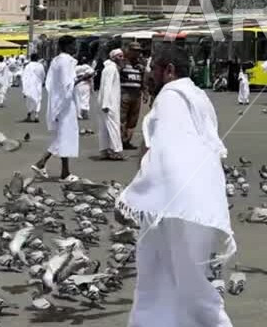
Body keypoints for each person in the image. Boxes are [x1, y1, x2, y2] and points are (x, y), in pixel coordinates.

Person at [120, 43, 235, 327]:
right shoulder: (198, 96)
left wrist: (132, 195)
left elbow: (161, 152)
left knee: (178, 277)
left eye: (153, 70)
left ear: (168, 71)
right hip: (199, 199)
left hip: (174, 201)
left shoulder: (170, 96)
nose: (149, 76)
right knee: (172, 273)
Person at [33, 36, 83, 181]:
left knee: (62, 137)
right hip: (64, 105)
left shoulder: (56, 60)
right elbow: (67, 85)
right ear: (67, 46)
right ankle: (50, 167)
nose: (76, 48)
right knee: (64, 137)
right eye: (74, 45)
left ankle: (58, 170)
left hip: (59, 103)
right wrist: (82, 78)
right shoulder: (66, 61)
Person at [97, 49, 125, 161]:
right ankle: (116, 151)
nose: (122, 58)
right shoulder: (111, 69)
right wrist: (106, 104)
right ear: (113, 58)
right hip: (109, 103)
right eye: (120, 56)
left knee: (104, 127)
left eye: (122, 56)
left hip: (107, 102)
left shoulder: (109, 68)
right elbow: (107, 87)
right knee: (113, 126)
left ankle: (105, 150)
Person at [120, 45, 146, 150]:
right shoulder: (123, 63)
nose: (137, 53)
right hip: (125, 94)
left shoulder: (140, 65)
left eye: (139, 51)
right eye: (134, 51)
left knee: (133, 119)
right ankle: (120, 141)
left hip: (136, 95)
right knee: (122, 118)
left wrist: (145, 92)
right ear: (128, 51)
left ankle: (127, 141)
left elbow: (143, 79)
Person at [21, 56, 46, 123]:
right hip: (38, 85)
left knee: (29, 100)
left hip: (29, 86)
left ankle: (29, 115)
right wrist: (42, 82)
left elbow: (24, 76)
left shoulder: (28, 66)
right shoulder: (40, 66)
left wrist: (24, 88)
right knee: (38, 99)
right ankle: (36, 115)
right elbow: (43, 75)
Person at [75, 56, 95, 128]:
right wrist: (92, 88)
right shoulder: (88, 67)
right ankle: (85, 112)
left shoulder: (76, 67)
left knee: (78, 99)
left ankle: (79, 114)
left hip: (78, 84)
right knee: (86, 98)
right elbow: (92, 74)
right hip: (86, 84)